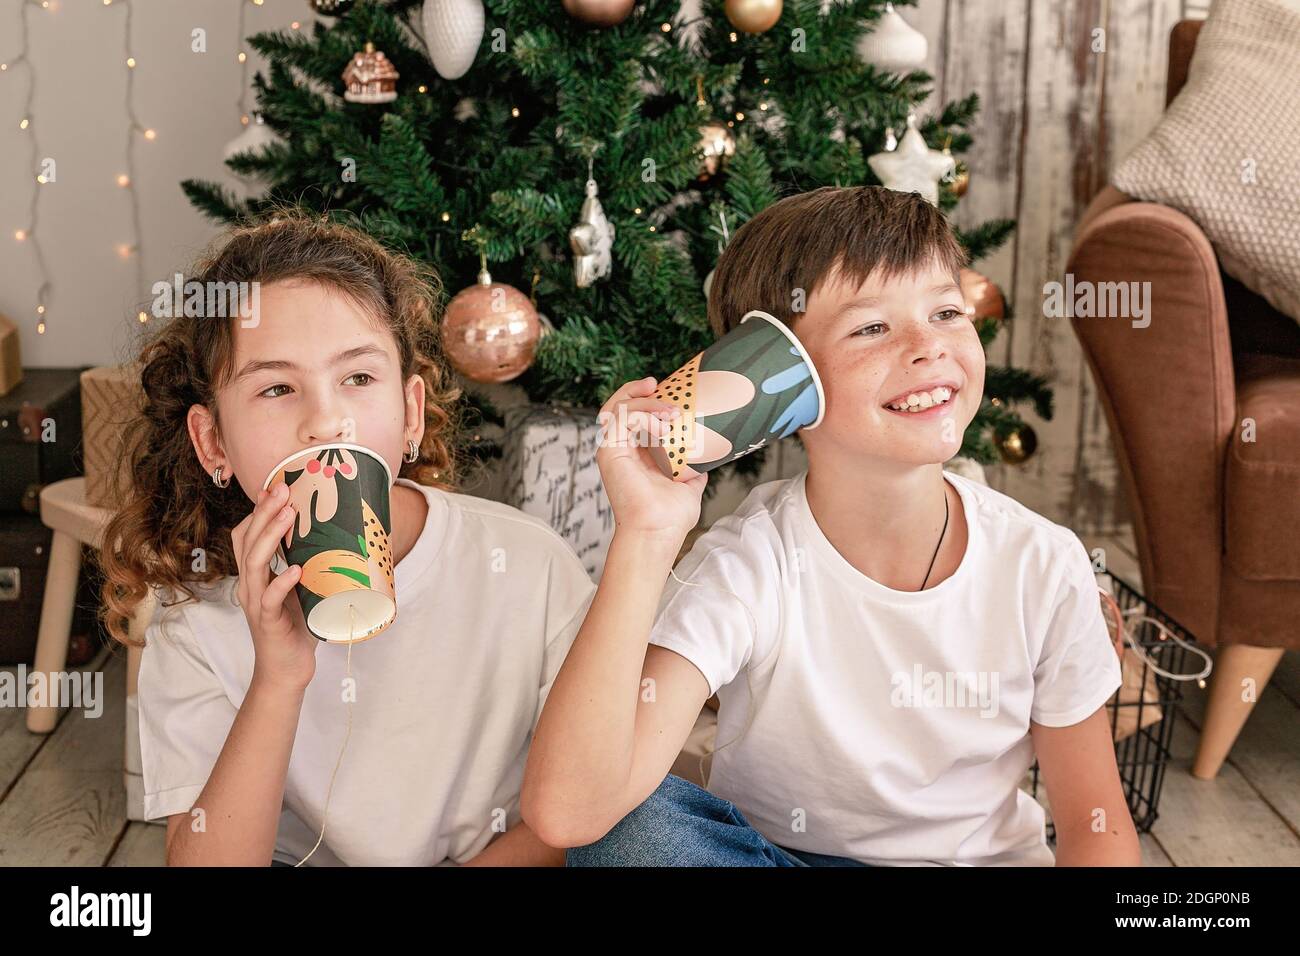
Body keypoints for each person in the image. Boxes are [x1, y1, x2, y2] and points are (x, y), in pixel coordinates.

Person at [521, 186, 1139, 866]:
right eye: (871, 327)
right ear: (776, 379)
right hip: (785, 858)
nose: (929, 346)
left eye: (946, 311)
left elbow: (1096, 824)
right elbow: (569, 811)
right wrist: (645, 536)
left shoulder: (1042, 564)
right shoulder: (748, 563)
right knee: (634, 831)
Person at [98, 209, 595, 866]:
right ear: (213, 441)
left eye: (358, 378)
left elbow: (578, 811)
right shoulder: (198, 621)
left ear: (410, 412)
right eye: (277, 387)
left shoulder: (531, 569)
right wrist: (279, 676)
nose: (326, 418)